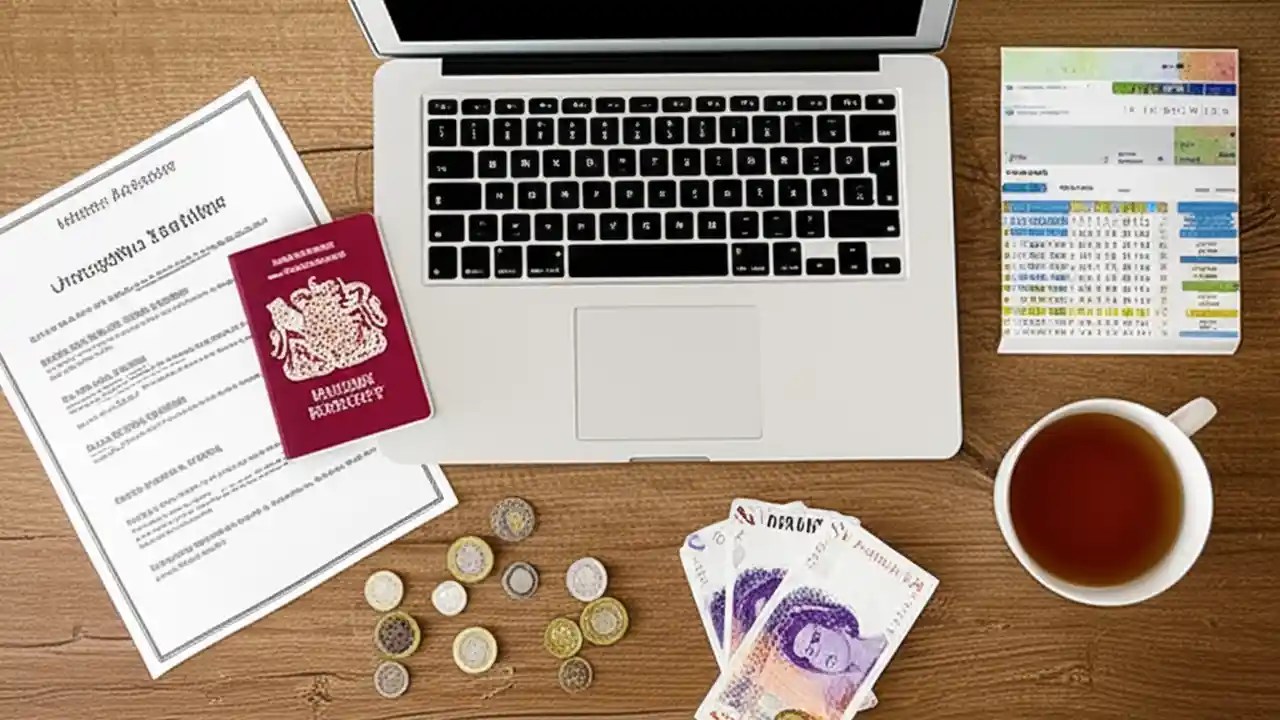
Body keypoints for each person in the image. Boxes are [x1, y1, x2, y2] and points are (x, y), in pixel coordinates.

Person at [772, 592, 888, 685]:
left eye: (815, 638)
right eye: (808, 653)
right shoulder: (857, 689)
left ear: (837, 625)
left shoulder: (887, 641)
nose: (816, 653)